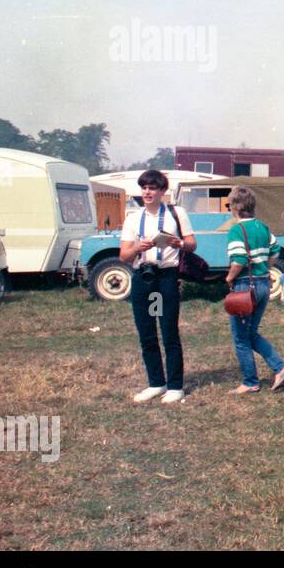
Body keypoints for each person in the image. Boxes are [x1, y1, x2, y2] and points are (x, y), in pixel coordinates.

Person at [120, 169, 197, 404]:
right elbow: (124, 255)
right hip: (144, 277)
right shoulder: (133, 217)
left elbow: (192, 245)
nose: (147, 192)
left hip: (166, 276)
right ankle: (156, 382)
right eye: (144, 187)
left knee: (168, 331)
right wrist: (137, 249)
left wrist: (179, 243)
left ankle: (175, 386)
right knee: (146, 333)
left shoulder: (176, 213)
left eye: (152, 188)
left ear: (163, 191)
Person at [223, 185, 284, 394]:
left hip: (245, 286)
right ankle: (280, 368)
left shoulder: (237, 230)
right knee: (250, 332)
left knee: (241, 337)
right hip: (263, 284)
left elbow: (239, 260)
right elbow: (275, 250)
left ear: (235, 207)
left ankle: (251, 381)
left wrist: (228, 278)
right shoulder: (263, 227)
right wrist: (266, 268)